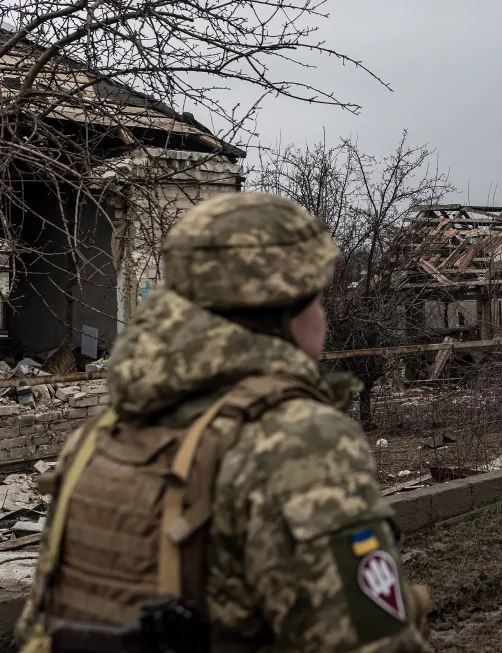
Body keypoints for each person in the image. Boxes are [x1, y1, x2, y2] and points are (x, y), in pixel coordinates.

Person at [16, 192, 432, 652]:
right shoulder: (296, 442)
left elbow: (39, 630)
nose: (323, 316)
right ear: (282, 310)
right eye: (316, 298)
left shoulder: (100, 437)